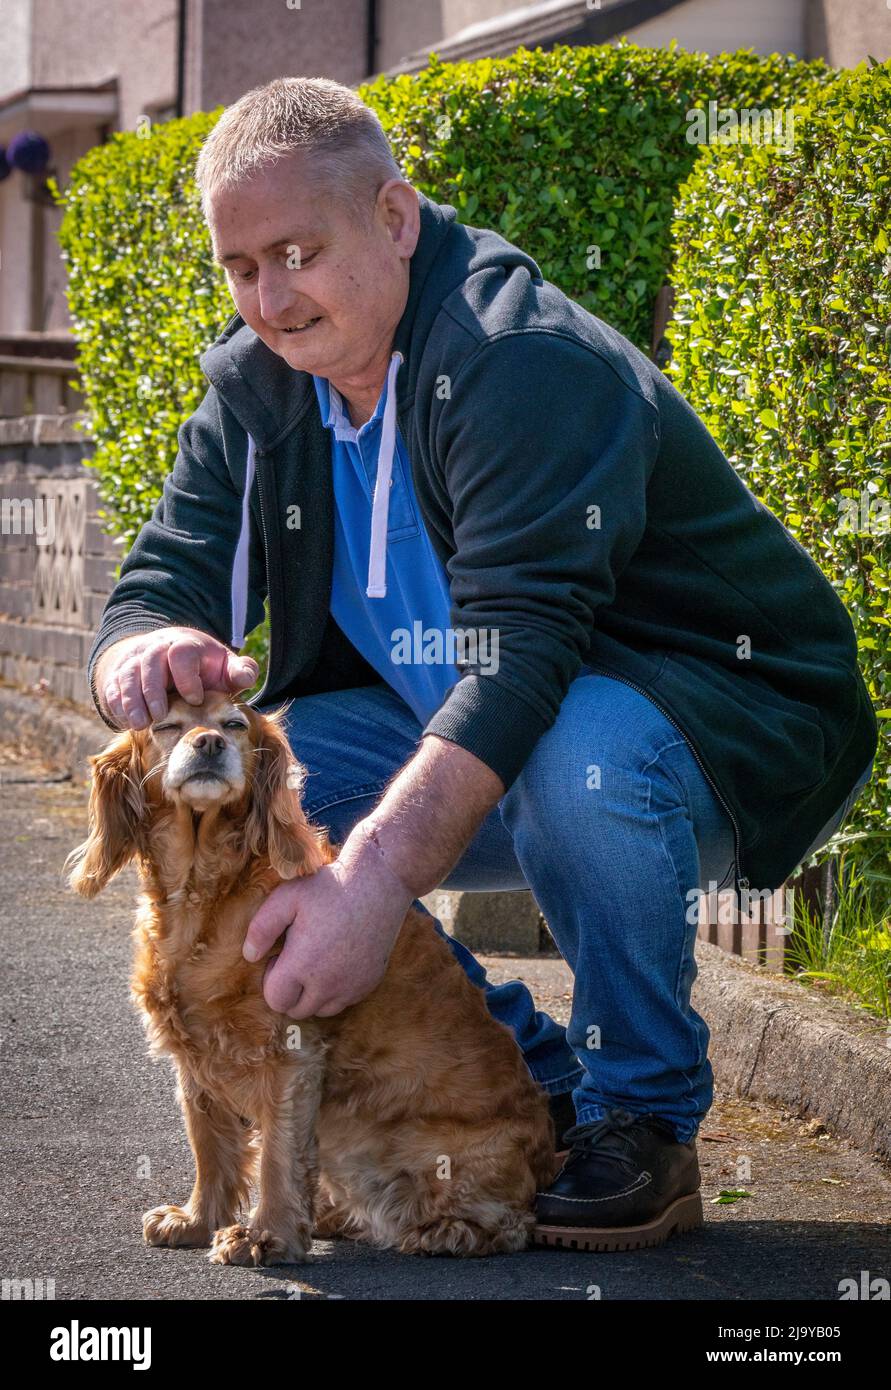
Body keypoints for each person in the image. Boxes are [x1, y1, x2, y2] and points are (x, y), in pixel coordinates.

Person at [88, 76, 877, 1251]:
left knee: (574, 749)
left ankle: (642, 1120)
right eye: (240, 267)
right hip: (490, 722)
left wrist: (369, 889)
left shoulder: (520, 360)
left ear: (396, 219)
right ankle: (533, 1067)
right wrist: (141, 648)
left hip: (715, 725)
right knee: (282, 761)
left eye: (298, 251)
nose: (270, 297)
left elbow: (523, 662)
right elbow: (158, 577)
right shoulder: (258, 390)